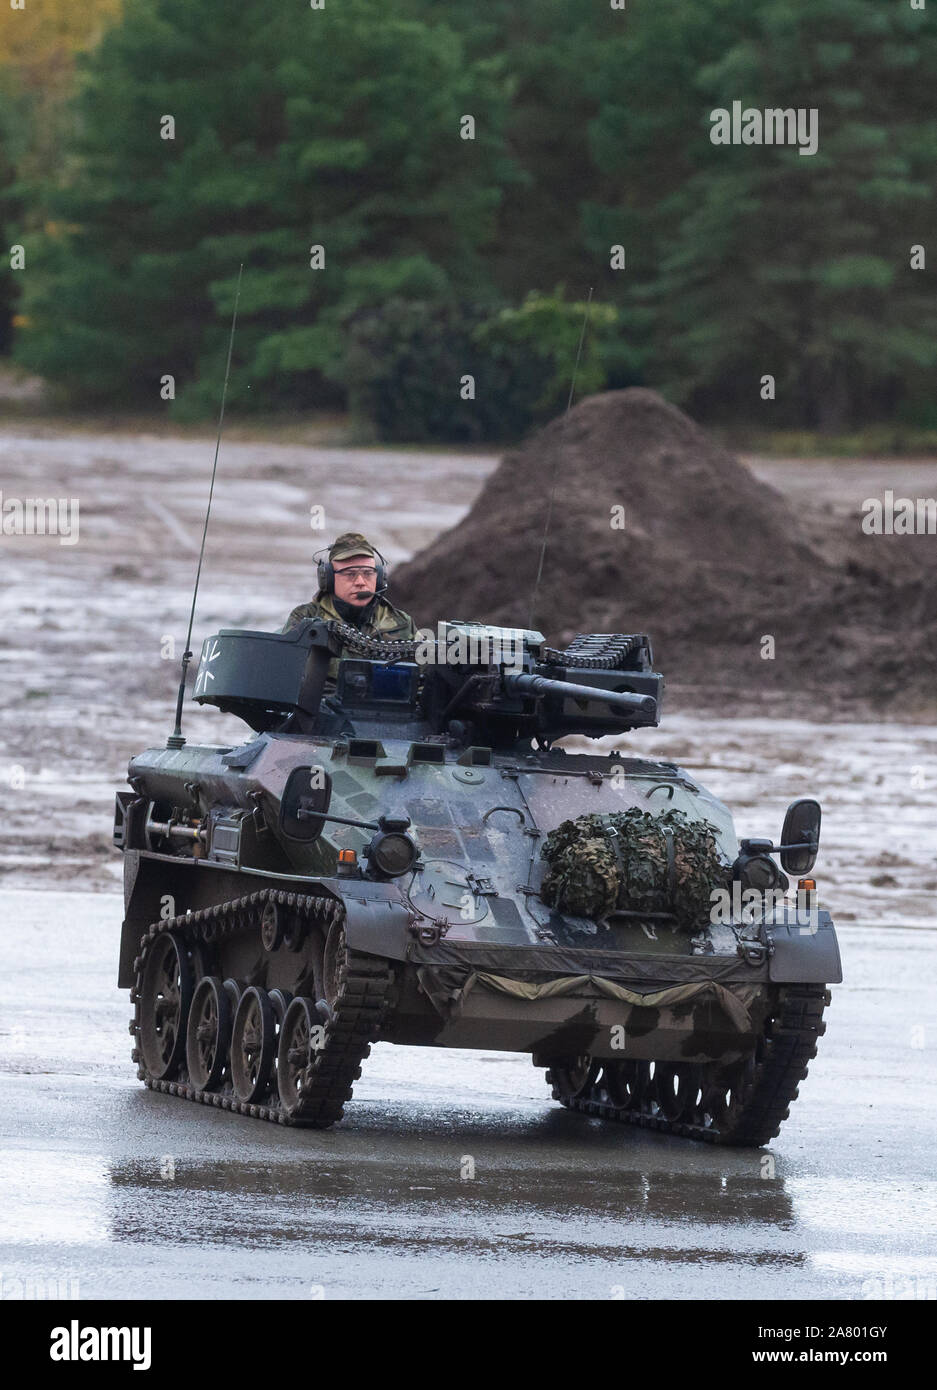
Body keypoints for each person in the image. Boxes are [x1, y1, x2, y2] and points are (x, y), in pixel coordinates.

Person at [282, 532, 416, 681]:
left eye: (367, 573)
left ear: (379, 578)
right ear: (329, 579)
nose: (360, 581)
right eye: (350, 574)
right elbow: (285, 676)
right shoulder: (306, 618)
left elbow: (422, 683)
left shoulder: (401, 623)